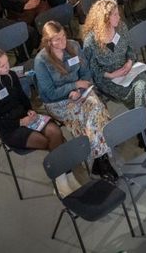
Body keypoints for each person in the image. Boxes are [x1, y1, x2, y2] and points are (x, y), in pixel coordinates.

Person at [34, 21, 117, 179]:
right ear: (48, 41)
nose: (63, 42)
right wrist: (73, 86)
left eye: (63, 36)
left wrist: (79, 89)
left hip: (82, 92)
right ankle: (102, 159)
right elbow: (50, 93)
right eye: (57, 40)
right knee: (82, 116)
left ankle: (99, 161)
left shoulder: (73, 46)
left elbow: (86, 73)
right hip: (58, 101)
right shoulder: (41, 61)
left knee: (96, 107)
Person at [0, 47, 66, 153]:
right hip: (10, 128)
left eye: (7, 62)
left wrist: (30, 110)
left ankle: (63, 165)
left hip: (24, 115)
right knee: (47, 141)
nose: (8, 67)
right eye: (3, 66)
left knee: (55, 132)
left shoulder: (11, 75)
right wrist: (19, 122)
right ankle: (65, 166)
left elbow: (22, 97)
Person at [83, 0, 146, 119]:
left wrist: (129, 62)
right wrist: (111, 75)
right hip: (108, 79)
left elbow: (130, 49)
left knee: (142, 85)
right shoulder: (90, 41)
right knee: (139, 91)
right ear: (105, 18)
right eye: (115, 15)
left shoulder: (121, 27)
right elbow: (92, 69)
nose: (119, 17)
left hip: (128, 70)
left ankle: (142, 123)